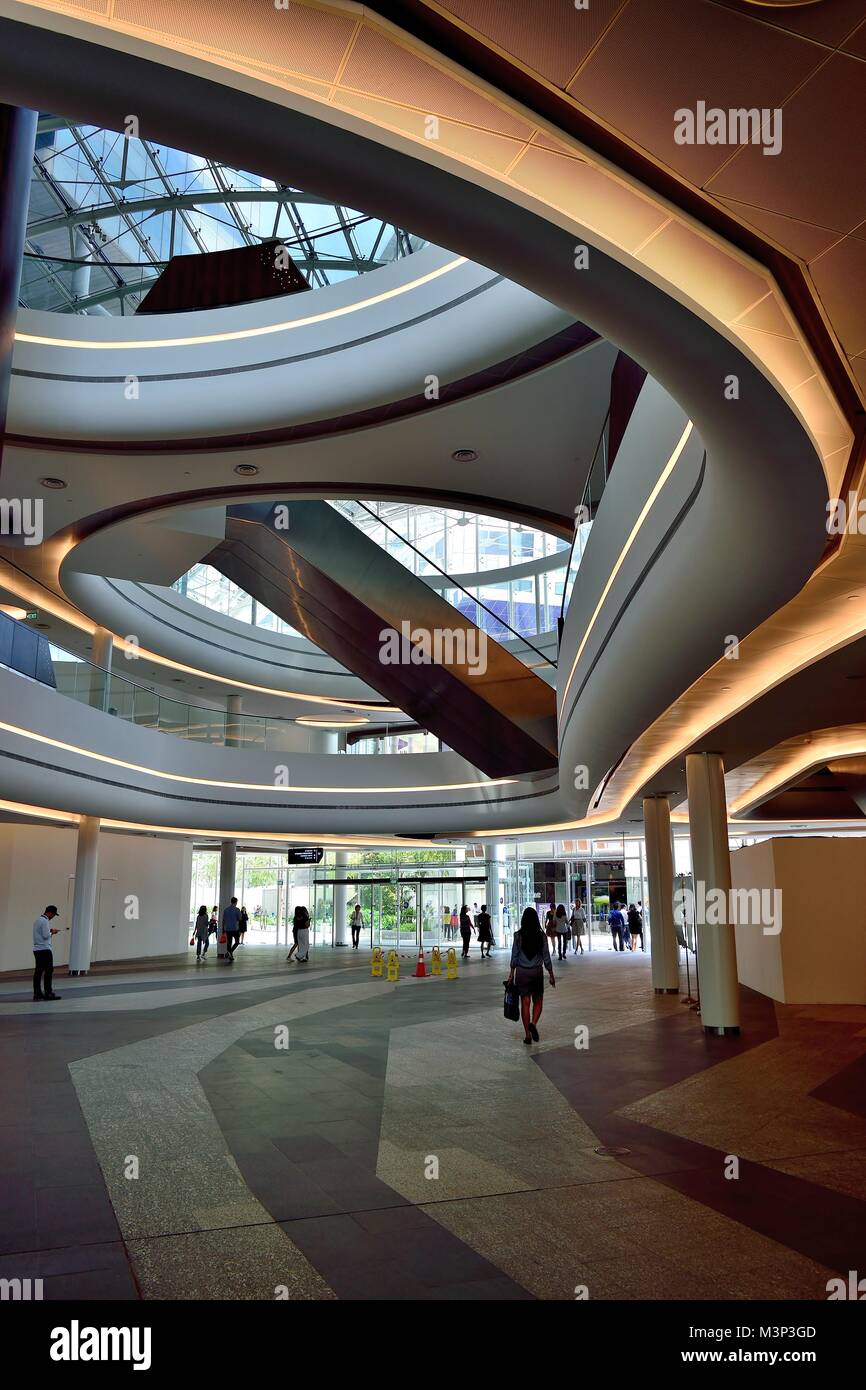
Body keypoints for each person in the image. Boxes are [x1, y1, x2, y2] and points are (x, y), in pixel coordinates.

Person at [506, 907, 555, 1045]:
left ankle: (527, 1035)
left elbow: (514, 957)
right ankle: (533, 1023)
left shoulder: (518, 936)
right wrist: (551, 974)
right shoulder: (542, 936)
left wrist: (511, 975)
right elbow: (546, 957)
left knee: (525, 1003)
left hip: (522, 973)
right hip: (536, 973)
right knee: (538, 1000)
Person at [32, 905, 61, 1001]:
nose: (52, 917)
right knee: (48, 971)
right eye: (53, 914)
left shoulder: (37, 921)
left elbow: (40, 934)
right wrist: (52, 932)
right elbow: (45, 936)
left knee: (38, 972)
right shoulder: (45, 921)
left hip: (37, 949)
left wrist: (49, 931)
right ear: (49, 913)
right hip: (45, 950)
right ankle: (48, 993)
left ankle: (37, 993)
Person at [222, 896, 242, 961]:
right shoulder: (237, 910)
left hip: (228, 929)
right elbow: (239, 919)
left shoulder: (226, 910)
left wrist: (223, 929)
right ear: (236, 902)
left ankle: (230, 953)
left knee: (229, 942)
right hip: (235, 928)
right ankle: (231, 952)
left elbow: (224, 920)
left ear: (231, 901)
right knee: (237, 942)